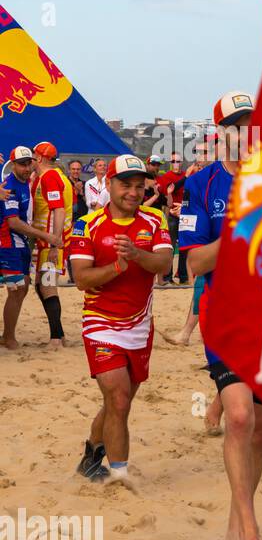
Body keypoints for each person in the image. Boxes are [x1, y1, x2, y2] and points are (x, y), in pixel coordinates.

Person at [179, 89, 262, 540]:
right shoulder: (201, 185)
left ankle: (239, 515)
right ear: (224, 133)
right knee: (239, 416)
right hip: (224, 313)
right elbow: (195, 261)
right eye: (239, 125)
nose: (249, 133)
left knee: (260, 426)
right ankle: (250, 525)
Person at [69, 155, 172, 484]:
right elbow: (82, 279)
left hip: (140, 327)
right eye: (125, 184)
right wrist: (117, 267)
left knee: (118, 404)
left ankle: (91, 453)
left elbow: (165, 265)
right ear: (108, 185)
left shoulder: (155, 220)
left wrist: (137, 255)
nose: (133, 192)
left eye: (139, 186)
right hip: (100, 323)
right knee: (118, 398)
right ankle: (119, 474)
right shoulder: (87, 224)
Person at [2, 147, 55, 349]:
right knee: (18, 289)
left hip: (21, 241)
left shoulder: (27, 182)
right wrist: (46, 236)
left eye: (28, 163)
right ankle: (8, 337)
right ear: (13, 164)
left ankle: (7, 335)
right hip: (8, 242)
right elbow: (14, 222)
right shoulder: (11, 186)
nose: (26, 167)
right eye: (22, 164)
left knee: (20, 290)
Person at [30, 141, 75, 348]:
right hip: (47, 241)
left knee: (47, 286)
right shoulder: (54, 176)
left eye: (32, 156)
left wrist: (56, 244)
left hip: (51, 242)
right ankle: (59, 335)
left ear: (38, 158)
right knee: (41, 285)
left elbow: (59, 210)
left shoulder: (50, 177)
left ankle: (56, 338)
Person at [156, 157, 188, 285]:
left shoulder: (187, 175)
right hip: (172, 213)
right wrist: (186, 176)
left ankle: (183, 275)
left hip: (185, 213)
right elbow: (172, 189)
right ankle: (167, 277)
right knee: (170, 247)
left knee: (184, 247)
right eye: (174, 161)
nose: (176, 163)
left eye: (179, 161)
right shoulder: (167, 176)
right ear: (170, 163)